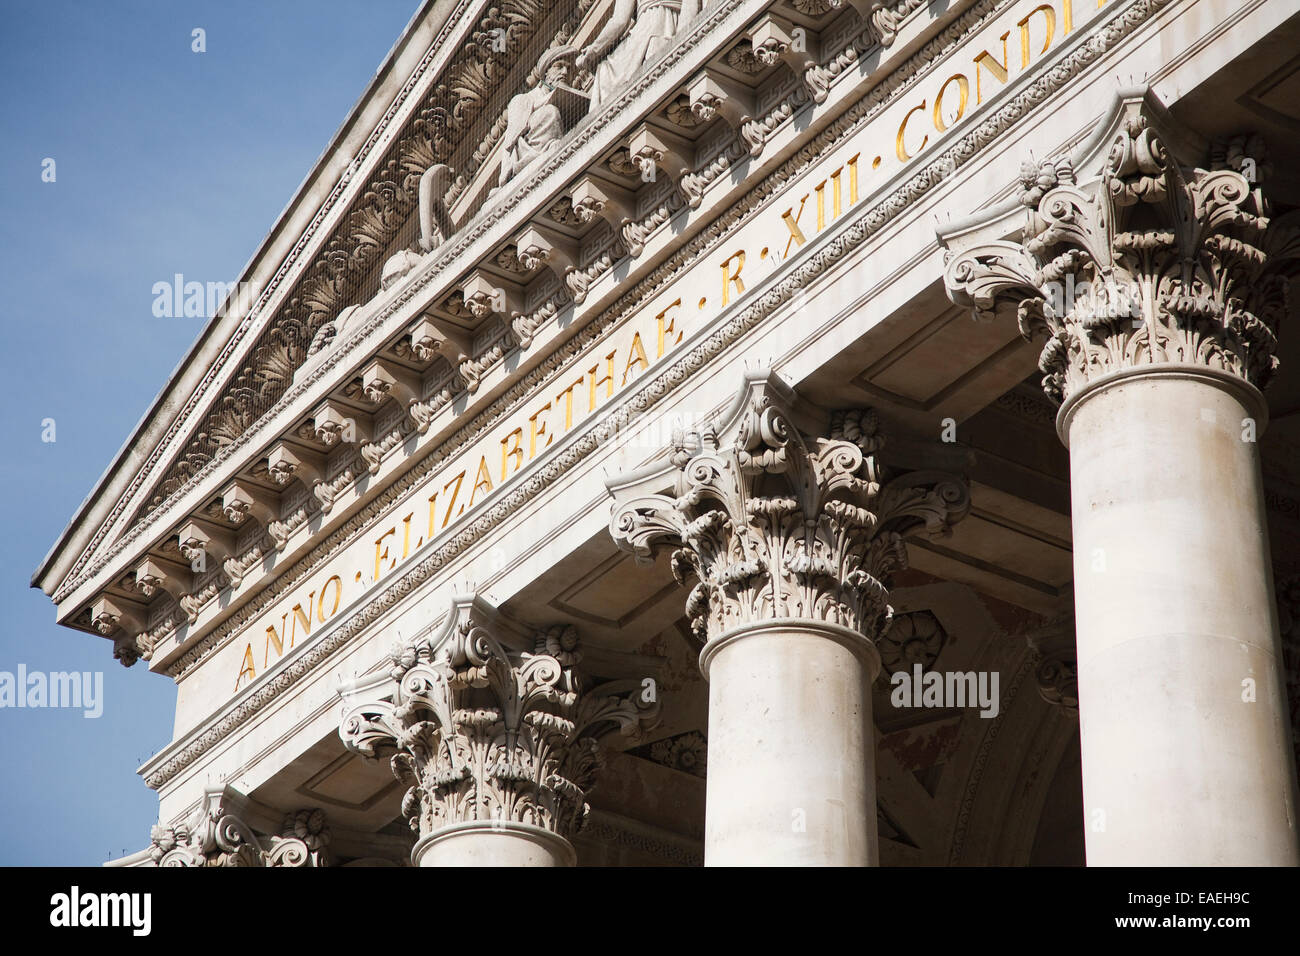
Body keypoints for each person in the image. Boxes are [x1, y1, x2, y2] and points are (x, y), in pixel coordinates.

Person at [578, 0, 700, 113]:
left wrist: (593, 50)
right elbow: (691, 7)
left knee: (605, 73)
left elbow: (620, 21)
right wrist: (682, 39)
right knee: (606, 72)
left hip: (647, 33)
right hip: (665, 30)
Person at [498, 46, 578, 188]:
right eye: (559, 66)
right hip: (529, 150)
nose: (565, 72)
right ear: (546, 72)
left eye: (568, 68)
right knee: (550, 111)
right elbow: (512, 138)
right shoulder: (523, 99)